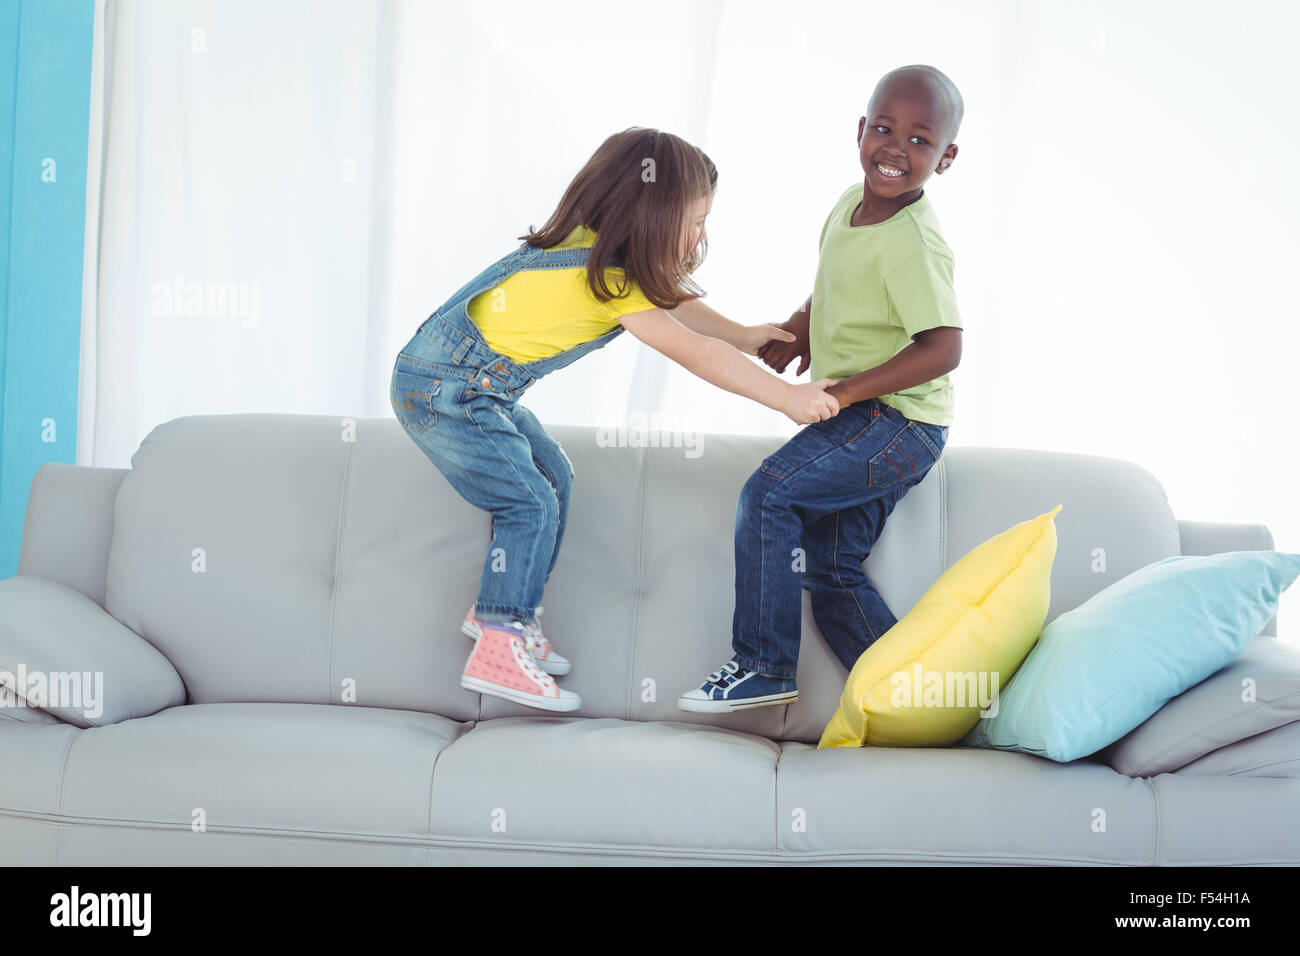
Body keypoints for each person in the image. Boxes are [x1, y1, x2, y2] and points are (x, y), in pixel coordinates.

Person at [391, 127, 840, 713]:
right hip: (444, 392)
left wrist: (745, 335)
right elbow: (691, 350)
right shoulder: (602, 279)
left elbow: (675, 303)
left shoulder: (602, 254)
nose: (702, 234)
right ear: (648, 213)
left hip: (476, 390)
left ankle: (502, 612)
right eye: (695, 220)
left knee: (556, 477)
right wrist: (787, 398)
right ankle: (500, 639)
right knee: (529, 501)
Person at [679, 64, 966, 712]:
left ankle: (764, 664)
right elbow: (838, 280)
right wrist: (802, 326)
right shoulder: (850, 203)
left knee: (770, 493)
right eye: (885, 129)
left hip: (900, 425)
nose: (896, 148)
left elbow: (943, 348)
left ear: (945, 158)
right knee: (831, 568)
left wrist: (847, 392)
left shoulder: (915, 245)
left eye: (920, 141)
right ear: (861, 129)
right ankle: (910, 704)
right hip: (873, 418)